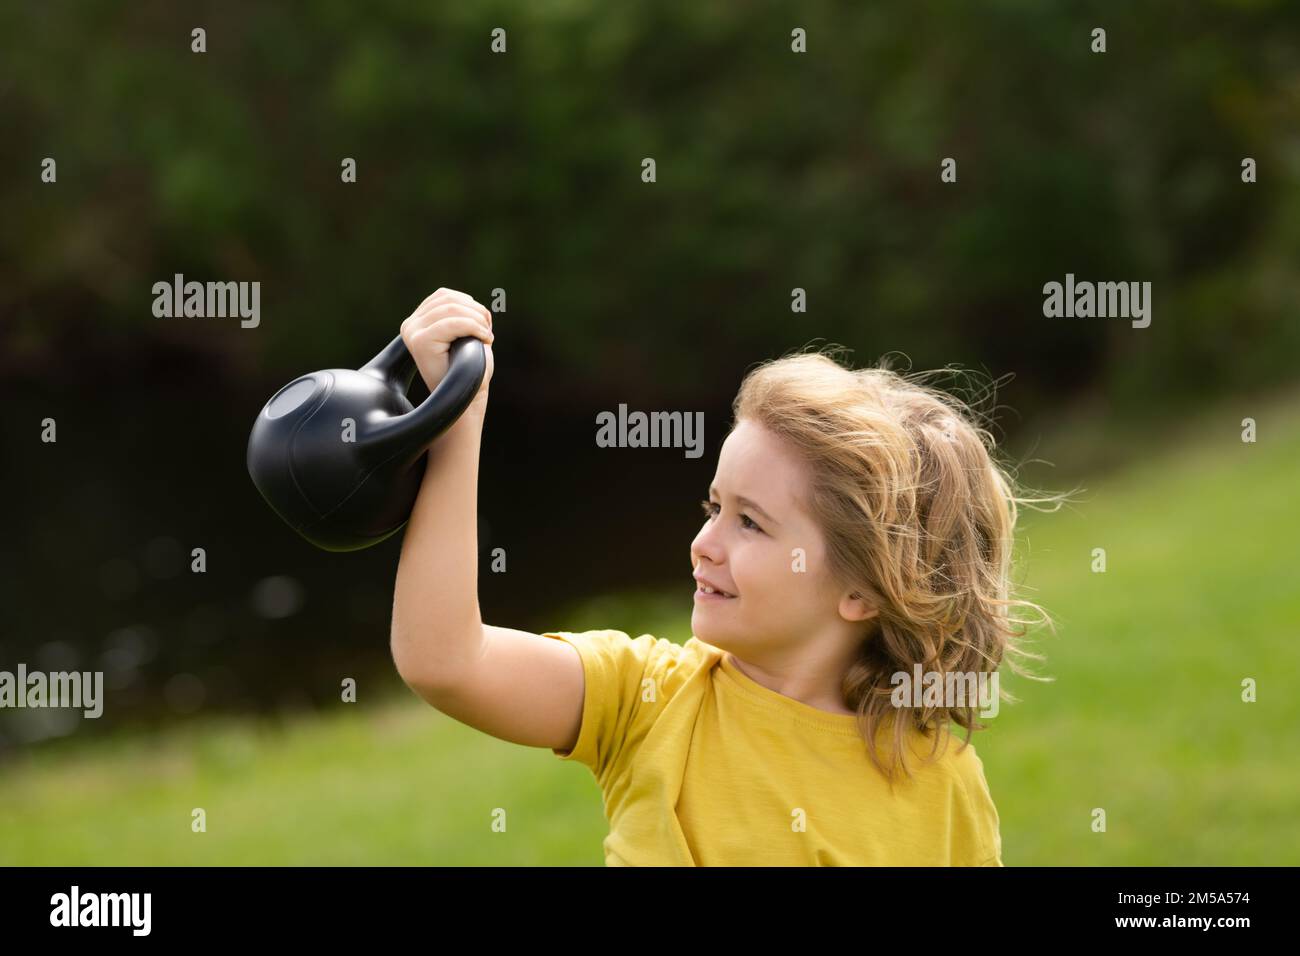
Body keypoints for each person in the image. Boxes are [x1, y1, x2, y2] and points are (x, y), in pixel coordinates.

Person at [389, 287, 1059, 866]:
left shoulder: (942, 785)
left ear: (863, 591)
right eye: (715, 507)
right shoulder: (645, 699)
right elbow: (446, 659)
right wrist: (457, 421)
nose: (703, 544)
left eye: (751, 523)